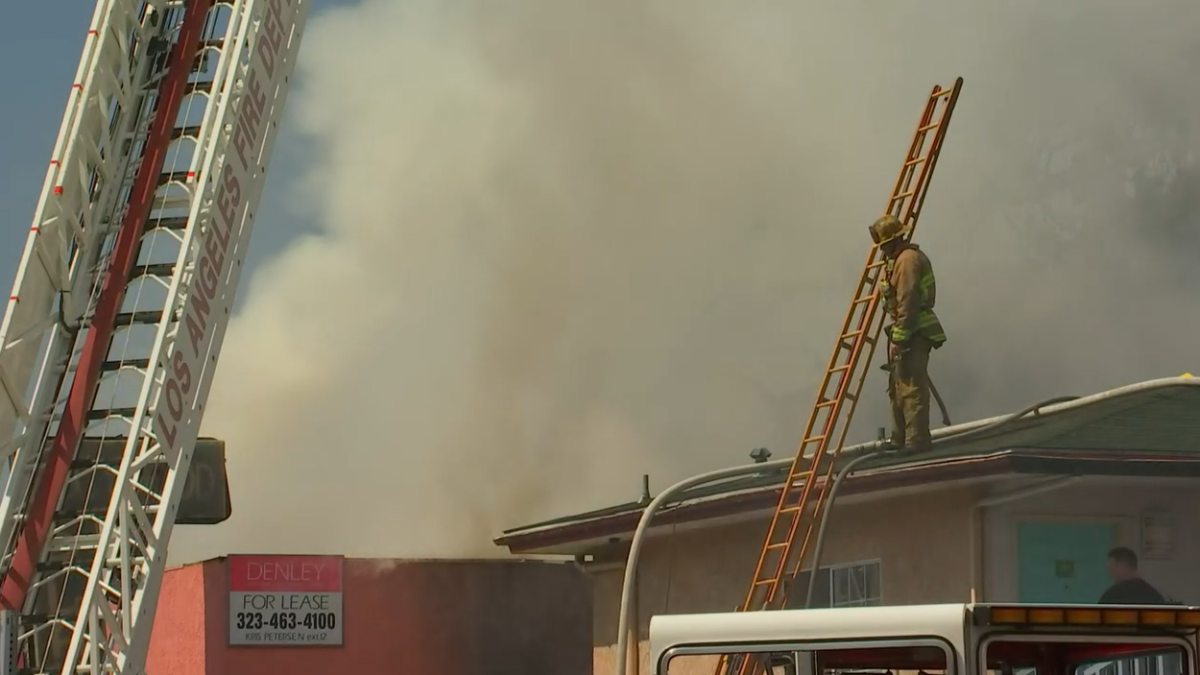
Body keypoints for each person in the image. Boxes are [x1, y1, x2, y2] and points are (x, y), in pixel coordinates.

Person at [869, 214, 946, 454]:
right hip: (904, 330)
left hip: (913, 331)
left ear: (893, 240)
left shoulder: (907, 261)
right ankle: (899, 439)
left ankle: (916, 441)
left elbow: (908, 301)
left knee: (911, 386)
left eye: (884, 244)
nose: (882, 250)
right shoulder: (897, 261)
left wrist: (900, 338)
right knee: (898, 386)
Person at [1099, 547, 1167, 604]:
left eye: (1111, 567)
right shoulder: (1154, 596)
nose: (1109, 572)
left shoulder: (1112, 596)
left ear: (1120, 566)